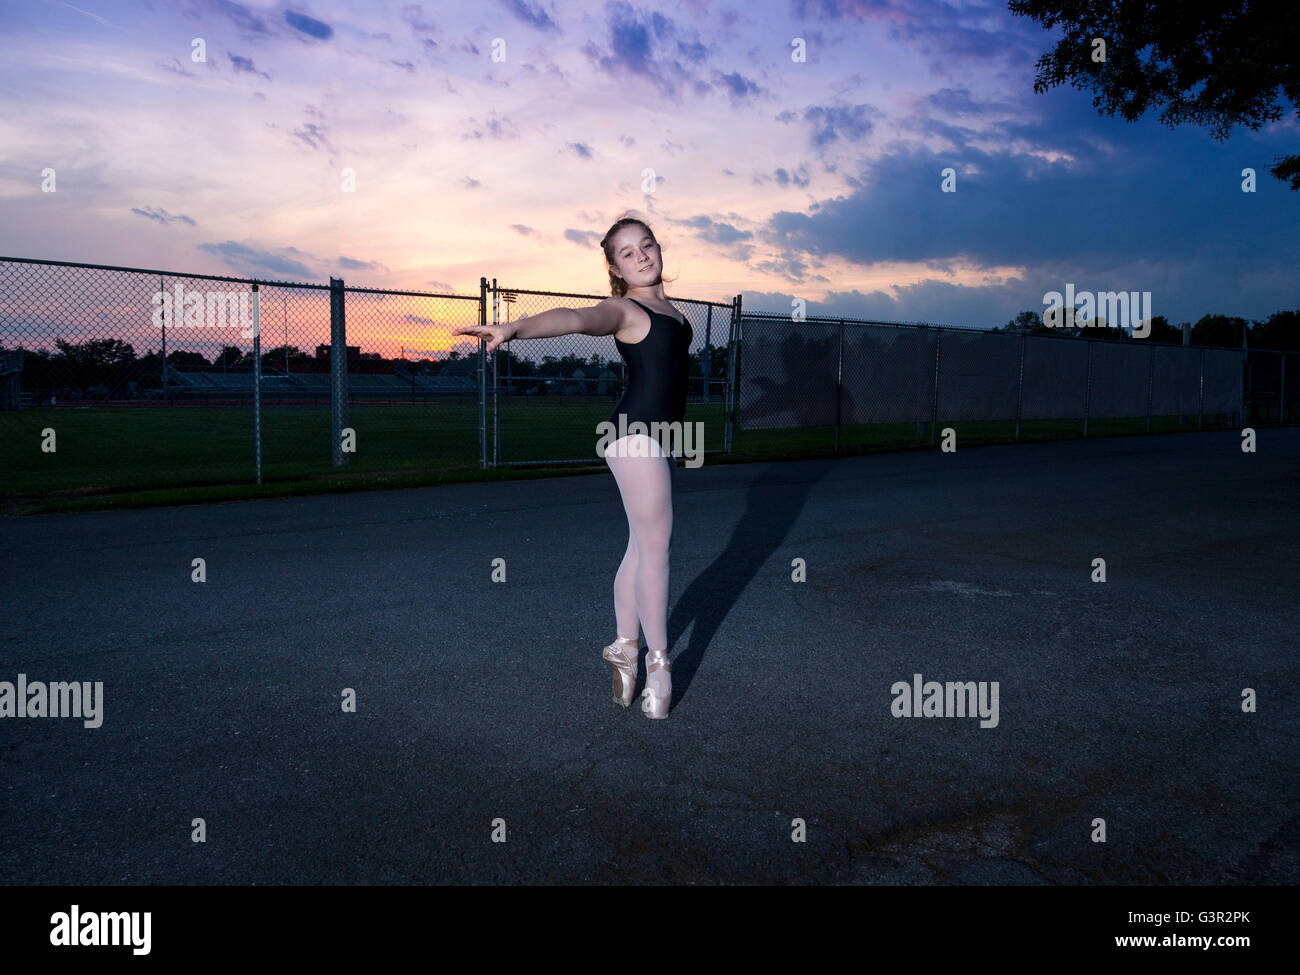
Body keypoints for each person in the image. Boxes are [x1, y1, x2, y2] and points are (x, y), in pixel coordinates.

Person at [452, 216, 691, 719]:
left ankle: (624, 646)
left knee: (641, 546)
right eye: (628, 253)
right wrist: (515, 327)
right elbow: (577, 318)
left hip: (654, 436)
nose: (642, 256)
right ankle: (659, 663)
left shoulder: (673, 312)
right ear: (614, 268)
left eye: (646, 245)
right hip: (634, 436)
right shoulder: (624, 309)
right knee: (657, 547)